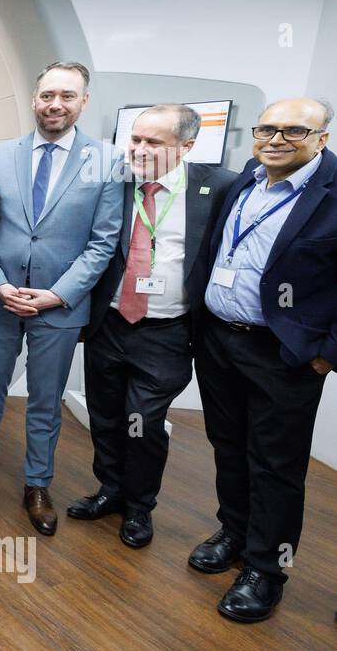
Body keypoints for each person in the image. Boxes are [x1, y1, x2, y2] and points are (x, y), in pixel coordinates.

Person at [0, 61, 122, 535]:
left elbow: (103, 243)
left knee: (45, 401)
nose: (56, 104)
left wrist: (55, 295)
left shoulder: (107, 161)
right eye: (48, 95)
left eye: (67, 96)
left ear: (83, 102)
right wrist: (0, 284)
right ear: (34, 99)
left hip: (60, 305)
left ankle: (37, 484)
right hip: (1, 297)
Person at [190, 97, 335, 622]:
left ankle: (266, 570)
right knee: (227, 445)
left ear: (321, 138)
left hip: (284, 354)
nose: (275, 139)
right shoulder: (246, 180)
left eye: (294, 130)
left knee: (276, 465)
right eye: (267, 129)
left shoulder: (333, 195)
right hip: (219, 341)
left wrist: (325, 355)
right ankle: (234, 530)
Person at [72, 104, 236, 547]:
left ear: (186, 146)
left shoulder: (218, 188)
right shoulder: (115, 183)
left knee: (142, 420)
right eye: (135, 139)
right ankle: (110, 490)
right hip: (108, 323)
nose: (139, 149)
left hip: (166, 331)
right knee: (105, 416)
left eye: (153, 142)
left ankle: (140, 507)